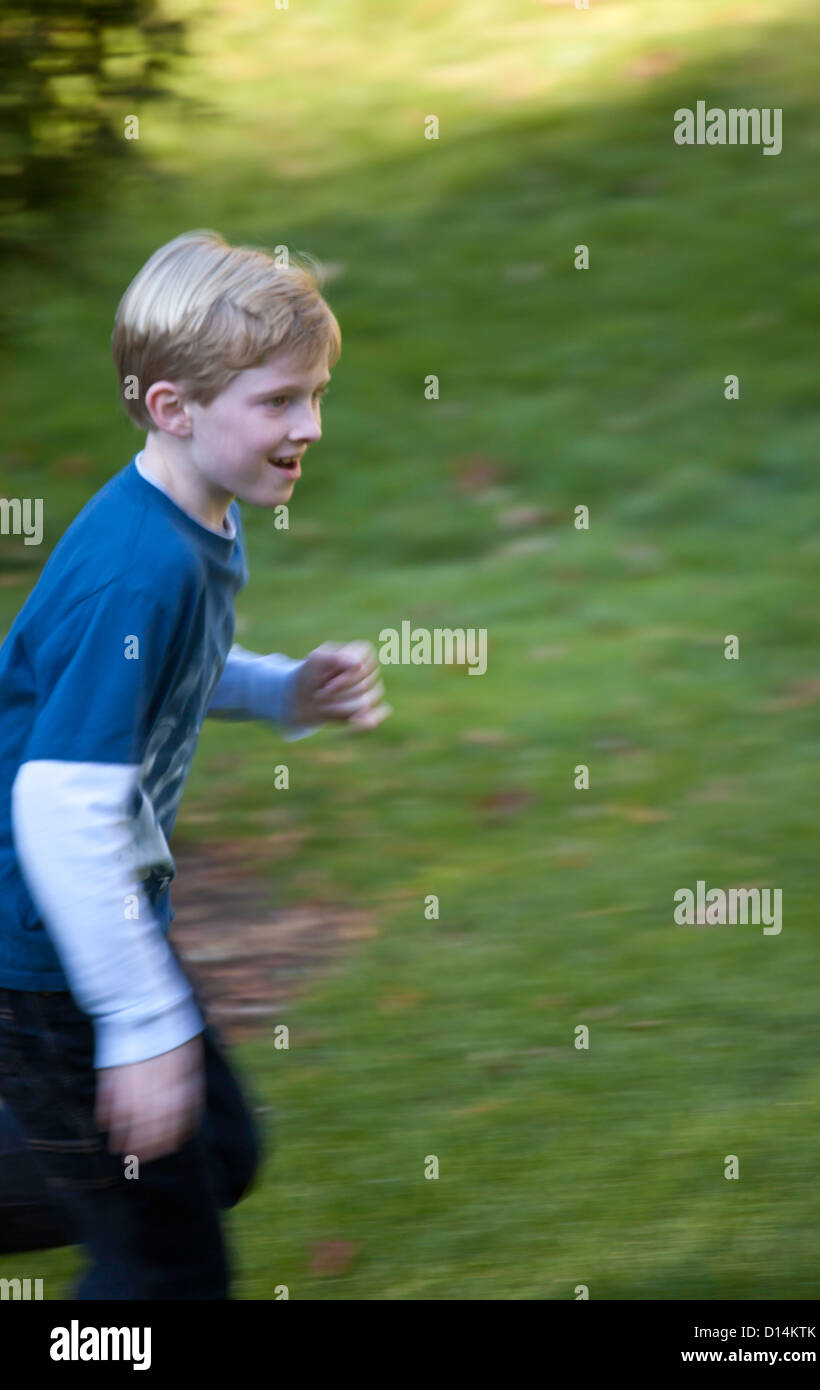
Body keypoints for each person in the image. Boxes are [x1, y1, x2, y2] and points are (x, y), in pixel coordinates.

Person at [0, 229, 391, 1298]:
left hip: (90, 929)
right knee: (163, 1274)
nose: (309, 425)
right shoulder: (140, 570)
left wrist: (279, 689)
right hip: (46, 955)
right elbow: (58, 804)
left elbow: (169, 672)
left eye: (314, 395)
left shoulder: (190, 520)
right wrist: (134, 1018)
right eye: (278, 402)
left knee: (218, 1152)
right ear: (175, 409)